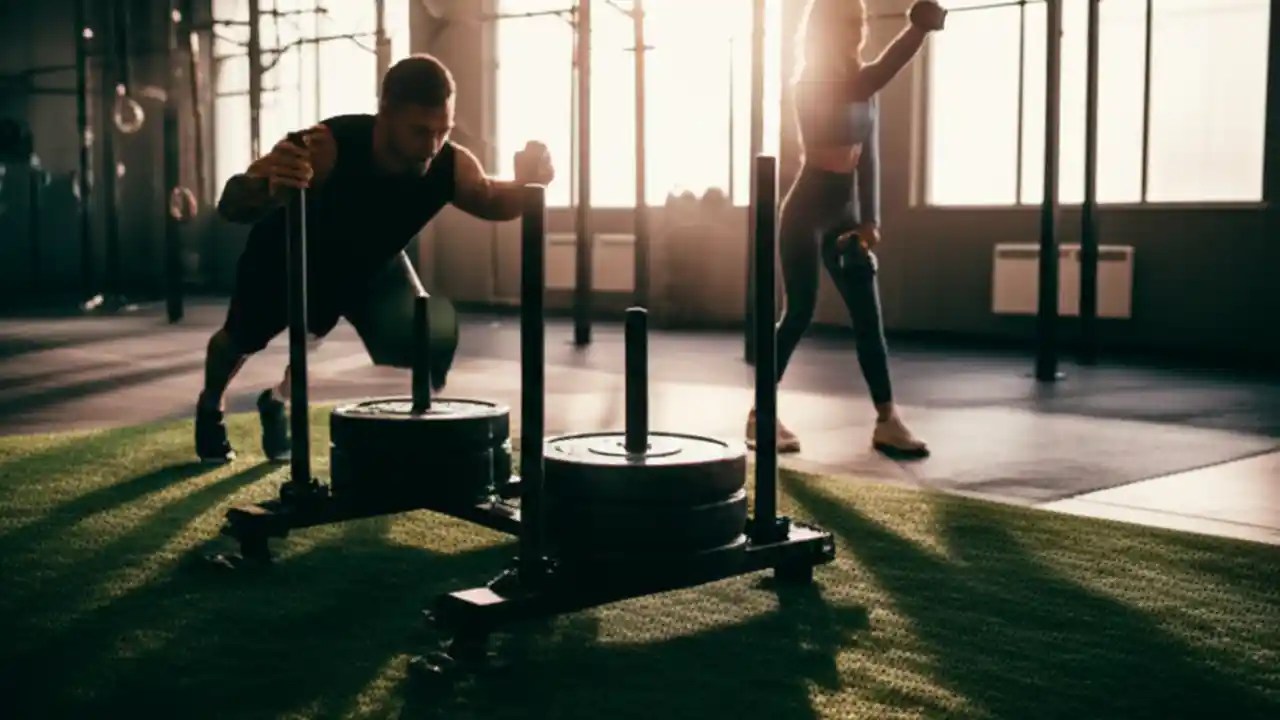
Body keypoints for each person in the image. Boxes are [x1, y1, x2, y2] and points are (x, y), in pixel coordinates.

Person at [196, 54, 554, 464]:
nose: (432, 146)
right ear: (384, 113)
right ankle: (211, 408)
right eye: (420, 131)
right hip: (283, 259)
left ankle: (276, 401)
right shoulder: (326, 147)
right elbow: (233, 202)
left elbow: (491, 199)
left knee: (398, 339)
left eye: (443, 131)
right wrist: (269, 187)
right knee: (238, 342)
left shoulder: (450, 164)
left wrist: (531, 182)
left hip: (364, 266)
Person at [746, 0, 945, 458]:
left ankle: (887, 419)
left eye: (861, 22)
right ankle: (761, 413)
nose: (858, 29)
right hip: (807, 209)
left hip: (847, 211)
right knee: (799, 311)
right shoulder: (810, 83)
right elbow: (870, 78)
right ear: (825, 29)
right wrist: (916, 30)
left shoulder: (862, 83)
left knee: (868, 317)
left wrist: (869, 220)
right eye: (848, 23)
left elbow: (868, 153)